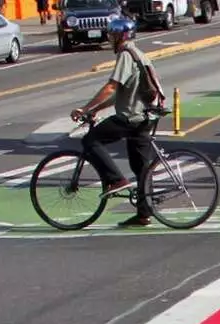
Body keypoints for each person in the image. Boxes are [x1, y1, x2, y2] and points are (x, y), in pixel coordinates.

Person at [70, 17, 165, 227]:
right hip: (146, 117)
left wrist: (85, 109)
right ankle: (144, 213)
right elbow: (119, 94)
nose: (109, 38)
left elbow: (112, 88)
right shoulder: (139, 54)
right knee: (141, 167)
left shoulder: (125, 54)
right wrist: (95, 109)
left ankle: (115, 179)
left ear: (120, 36)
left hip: (131, 117)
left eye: (112, 35)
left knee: (90, 140)